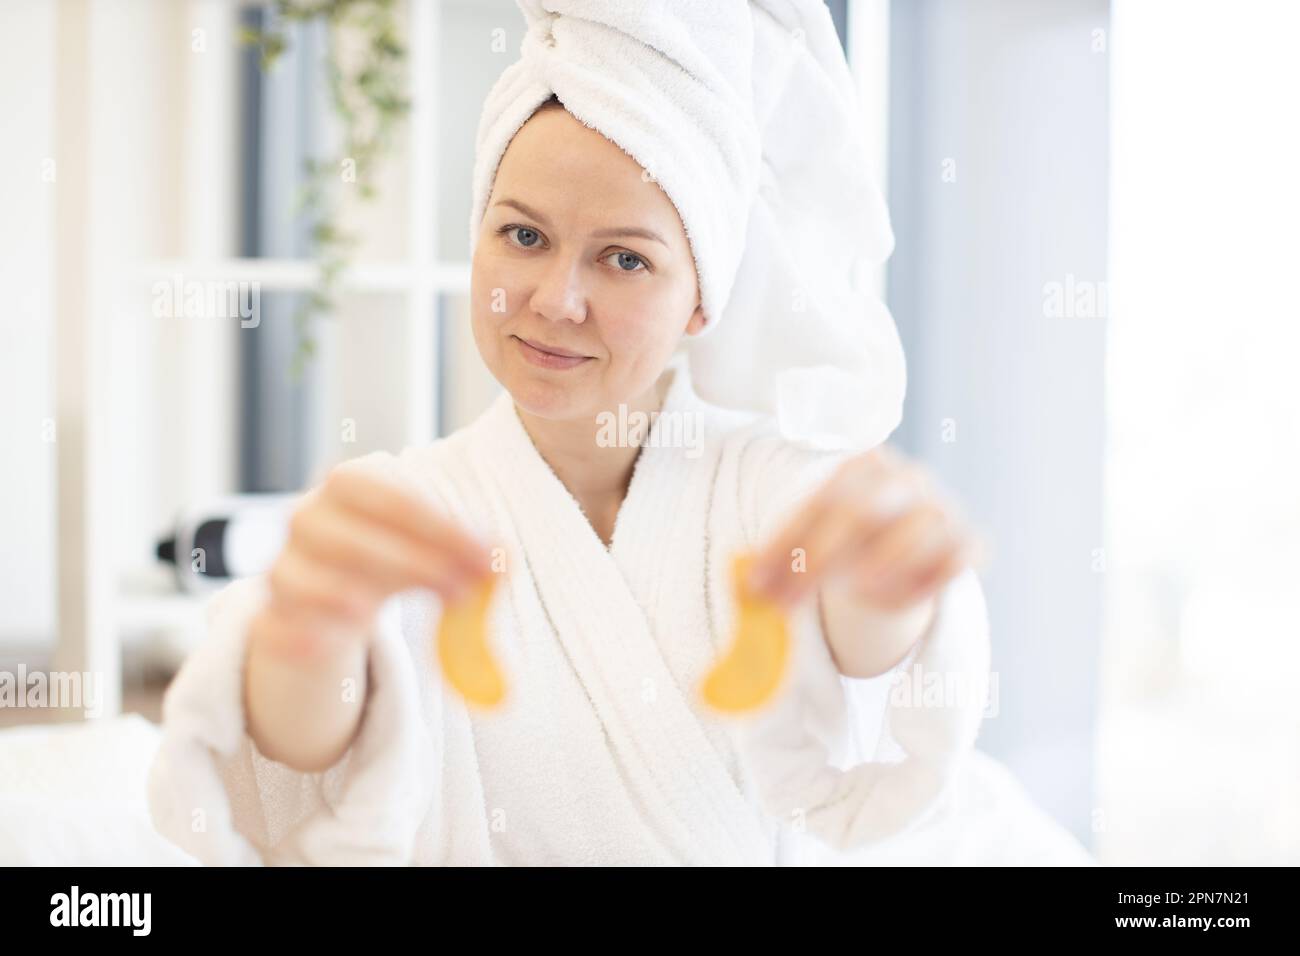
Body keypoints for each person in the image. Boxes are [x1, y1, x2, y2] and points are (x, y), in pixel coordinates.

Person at [147, 1, 998, 866]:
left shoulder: (767, 489)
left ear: (702, 298)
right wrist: (309, 627)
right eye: (523, 235)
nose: (556, 299)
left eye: (625, 258)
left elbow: (861, 645)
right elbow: (297, 752)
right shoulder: (409, 512)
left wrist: (888, 582)